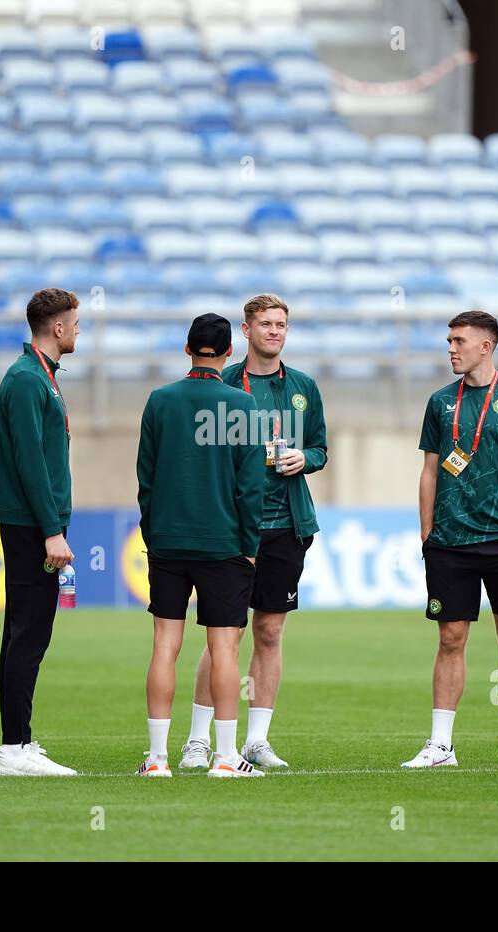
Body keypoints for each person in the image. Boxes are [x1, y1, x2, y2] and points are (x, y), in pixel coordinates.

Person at [180, 294, 327, 771]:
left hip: (286, 524)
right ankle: (199, 740)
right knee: (223, 636)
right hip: (230, 527)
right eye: (265, 324)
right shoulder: (221, 382)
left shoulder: (303, 386)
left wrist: (305, 458)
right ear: (244, 331)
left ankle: (256, 740)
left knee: (269, 630)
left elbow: (321, 447)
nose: (274, 331)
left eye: (281, 324)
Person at [401, 311, 498, 770]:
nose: (451, 348)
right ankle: (441, 745)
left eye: (459, 341)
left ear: (486, 346)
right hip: (449, 541)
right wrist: (427, 530)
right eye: (449, 340)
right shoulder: (439, 402)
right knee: (450, 638)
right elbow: (430, 470)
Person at [136, 314, 266, 779]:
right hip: (224, 544)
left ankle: (156, 759)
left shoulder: (160, 401)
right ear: (230, 352)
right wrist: (249, 543)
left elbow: (145, 480)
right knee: (226, 649)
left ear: (186, 347)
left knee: (164, 647)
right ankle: (226, 758)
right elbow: (252, 486)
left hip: (169, 542)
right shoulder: (243, 405)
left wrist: (154, 534)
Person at [0, 288, 79, 778]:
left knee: (30, 629)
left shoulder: (41, 377)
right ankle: (12, 748)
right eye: (76, 323)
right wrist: (50, 531)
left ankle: (20, 739)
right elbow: (28, 462)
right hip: (29, 526)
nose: (79, 331)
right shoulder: (26, 380)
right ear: (58, 328)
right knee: (27, 631)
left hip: (37, 523)